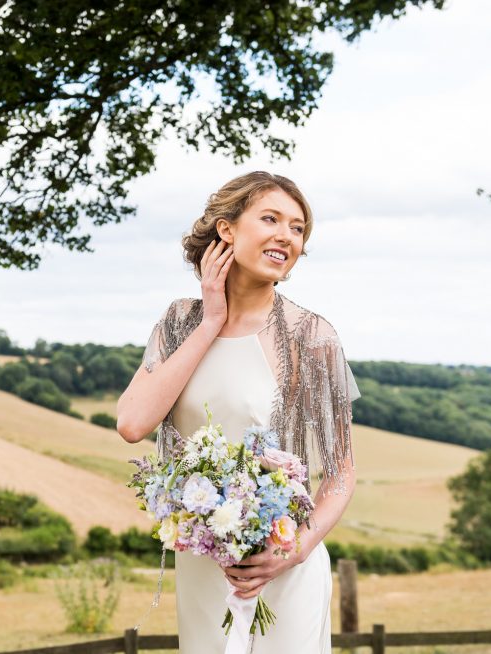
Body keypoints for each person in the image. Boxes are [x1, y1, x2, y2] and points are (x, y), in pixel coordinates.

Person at [116, 171, 362, 653]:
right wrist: (211, 322)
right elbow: (132, 423)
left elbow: (341, 472)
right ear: (226, 229)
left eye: (297, 228)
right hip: (203, 562)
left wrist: (293, 551)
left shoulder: (312, 337)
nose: (287, 236)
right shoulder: (179, 322)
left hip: (281, 560)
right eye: (271, 219)